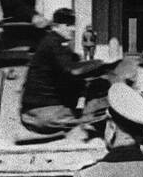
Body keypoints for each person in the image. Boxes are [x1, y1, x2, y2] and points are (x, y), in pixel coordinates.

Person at [19, 8, 116, 139]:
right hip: (46, 113)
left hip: (40, 111)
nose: (73, 29)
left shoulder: (52, 43)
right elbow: (73, 71)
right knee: (94, 120)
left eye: (73, 25)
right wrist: (99, 64)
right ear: (58, 25)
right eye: (69, 25)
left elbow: (70, 71)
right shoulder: (55, 42)